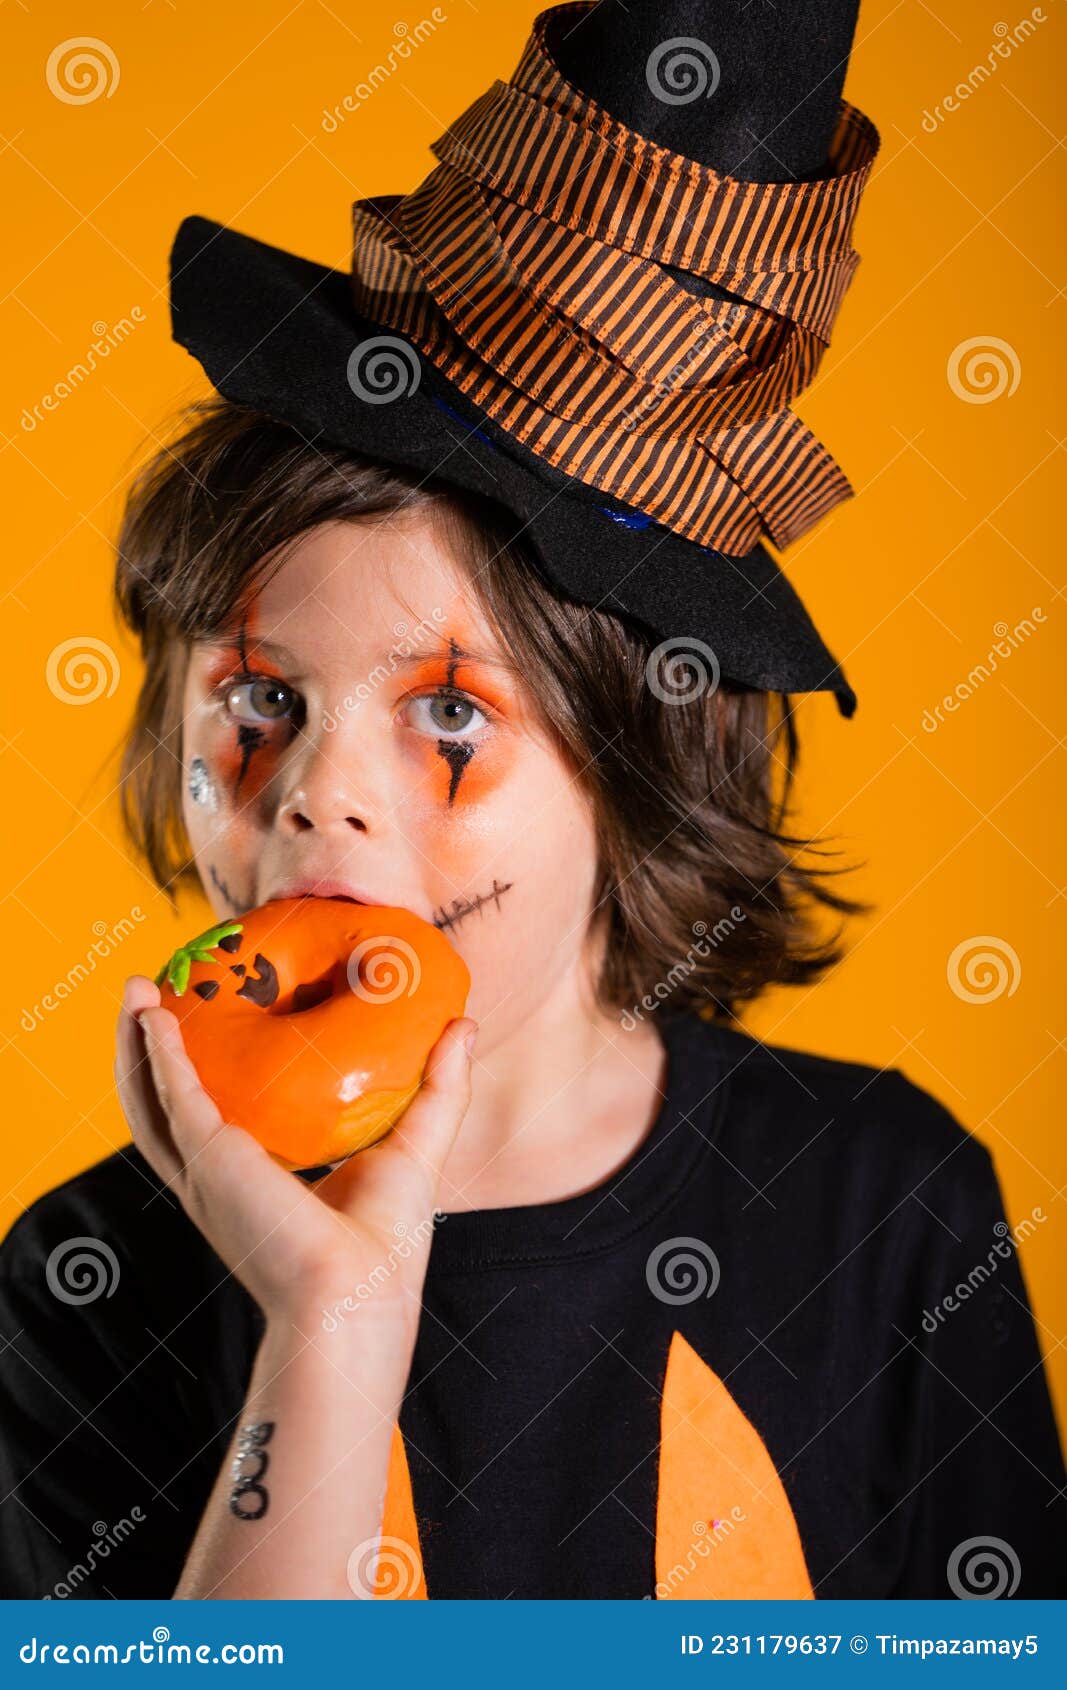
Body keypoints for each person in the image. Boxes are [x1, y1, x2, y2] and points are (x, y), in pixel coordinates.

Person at [1, 1, 1063, 1600]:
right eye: (262, 702)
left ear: (637, 780)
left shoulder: (886, 1205)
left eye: (446, 712)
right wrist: (330, 1329)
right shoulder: (86, 1283)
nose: (314, 797)